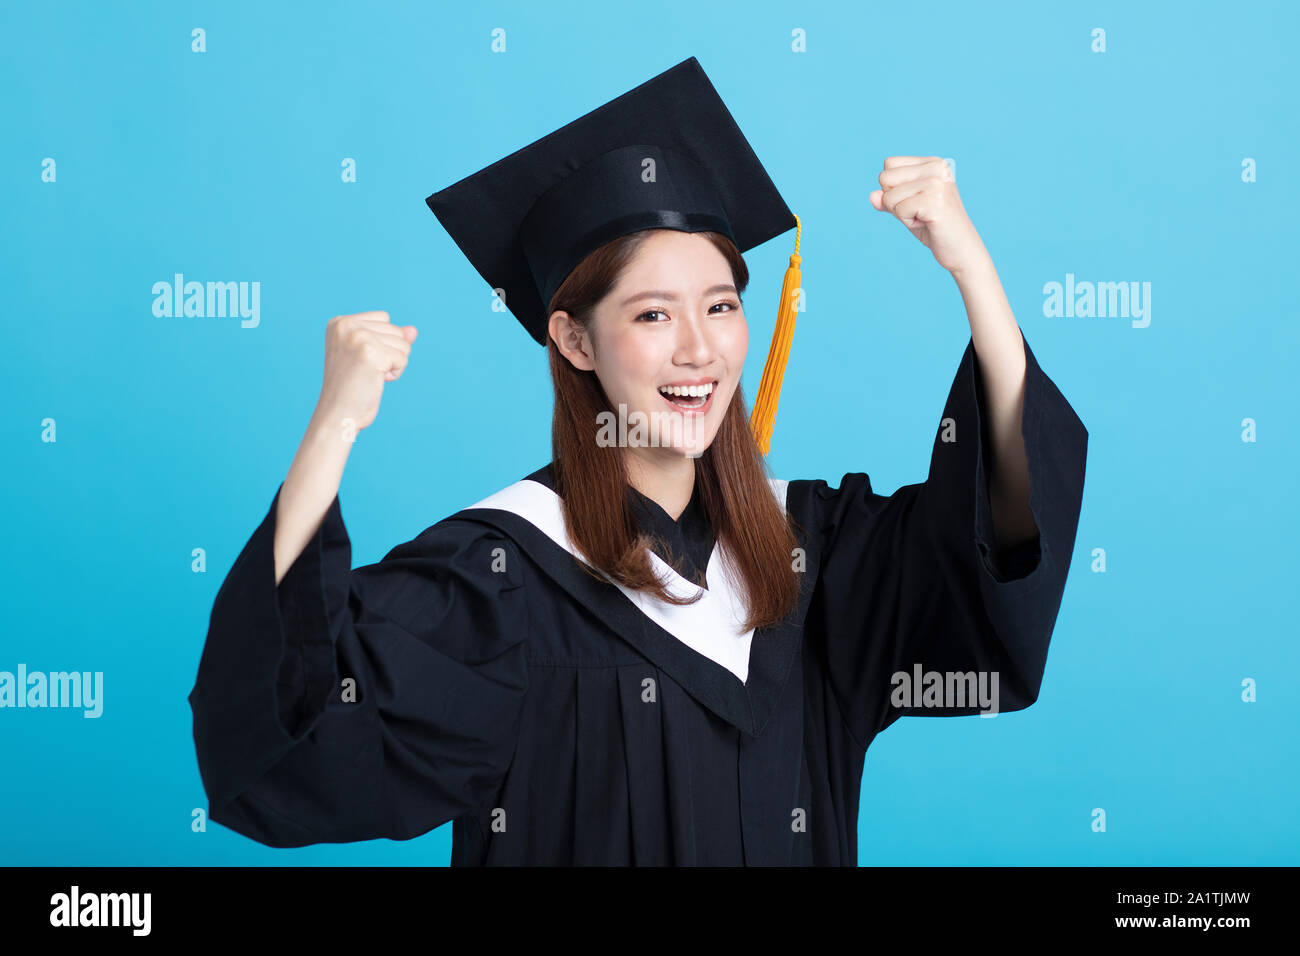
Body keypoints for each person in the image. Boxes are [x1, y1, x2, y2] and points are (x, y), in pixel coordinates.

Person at [187, 56, 1088, 865]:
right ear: (575, 339)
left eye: (723, 306)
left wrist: (974, 276)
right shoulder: (502, 578)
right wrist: (331, 430)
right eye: (653, 314)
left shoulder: (814, 551)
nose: (701, 350)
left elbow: (988, 580)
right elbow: (294, 730)